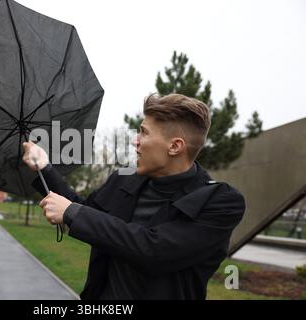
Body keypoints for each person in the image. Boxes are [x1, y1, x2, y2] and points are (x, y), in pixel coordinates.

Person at [22, 93, 245, 300]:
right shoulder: (123, 180)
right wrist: (46, 167)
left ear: (175, 146)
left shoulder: (220, 202)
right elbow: (86, 210)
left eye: (144, 132)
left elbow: (155, 250)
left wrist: (72, 213)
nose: (135, 141)